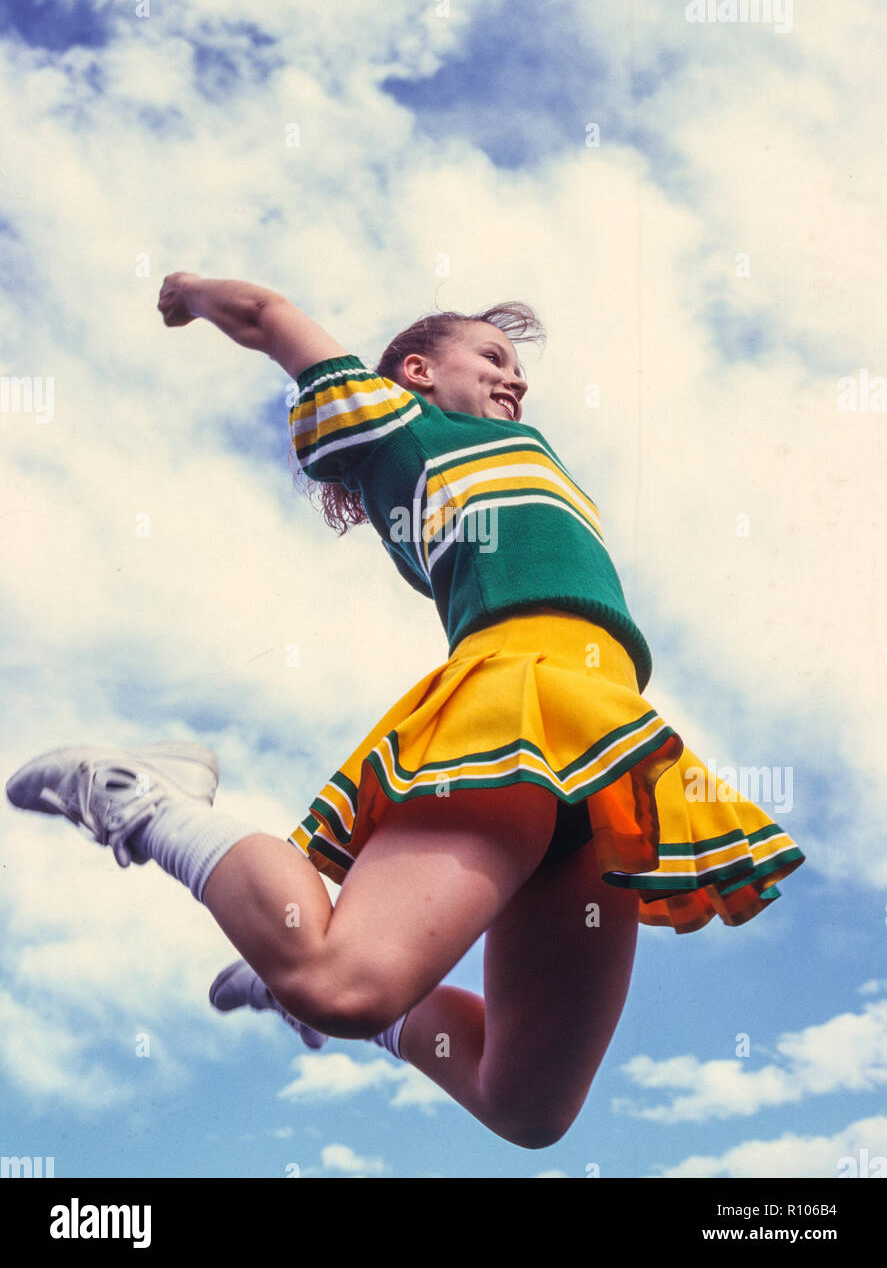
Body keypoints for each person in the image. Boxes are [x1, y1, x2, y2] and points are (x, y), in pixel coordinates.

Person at [6, 273, 806, 1150]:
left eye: (517, 366)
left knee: (527, 1106)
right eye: (492, 356)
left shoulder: (506, 446)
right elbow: (271, 317)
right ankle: (144, 798)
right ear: (417, 372)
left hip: (602, 751)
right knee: (338, 985)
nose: (516, 379)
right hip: (517, 707)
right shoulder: (401, 429)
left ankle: (322, 998)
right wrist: (188, 292)